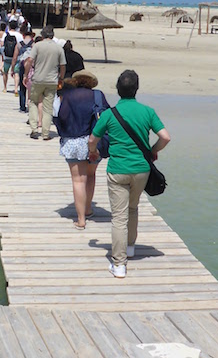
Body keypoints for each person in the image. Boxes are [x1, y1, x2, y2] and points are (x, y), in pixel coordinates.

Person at [88, 69, 170, 279]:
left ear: (118, 89)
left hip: (117, 170)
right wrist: (153, 150)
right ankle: (131, 247)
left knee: (118, 217)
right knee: (132, 208)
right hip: (141, 169)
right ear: (136, 89)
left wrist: (93, 153)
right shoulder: (147, 111)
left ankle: (119, 264)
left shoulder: (109, 113)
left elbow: (92, 140)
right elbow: (165, 137)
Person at [54, 70, 110, 229]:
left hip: (73, 143)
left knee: (78, 180)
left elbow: (61, 117)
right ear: (92, 82)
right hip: (94, 141)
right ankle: (88, 209)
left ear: (75, 81)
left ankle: (81, 220)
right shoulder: (98, 95)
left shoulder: (69, 96)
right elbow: (107, 118)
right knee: (91, 175)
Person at [24, 25, 66, 140]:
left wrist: (25, 75)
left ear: (42, 35)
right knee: (48, 107)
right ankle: (45, 133)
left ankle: (34, 128)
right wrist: (61, 78)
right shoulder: (58, 48)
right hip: (52, 80)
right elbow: (63, 66)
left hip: (38, 79)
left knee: (33, 102)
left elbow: (29, 61)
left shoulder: (37, 46)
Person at [11, 25, 34, 112]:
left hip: (21, 65)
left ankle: (22, 105)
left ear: (23, 35)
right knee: (30, 86)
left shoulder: (19, 44)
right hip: (31, 66)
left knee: (22, 86)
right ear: (32, 35)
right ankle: (30, 104)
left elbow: (14, 57)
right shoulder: (34, 44)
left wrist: (12, 68)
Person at [2, 19, 23, 93]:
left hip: (7, 56)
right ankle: (16, 88)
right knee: (16, 73)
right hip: (16, 57)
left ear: (9, 26)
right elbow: (22, 46)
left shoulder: (5, 34)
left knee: (5, 72)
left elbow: (2, 45)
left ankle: (5, 88)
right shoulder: (19, 35)